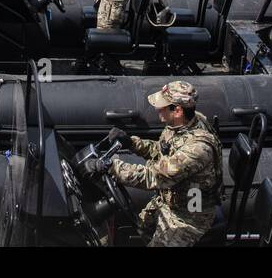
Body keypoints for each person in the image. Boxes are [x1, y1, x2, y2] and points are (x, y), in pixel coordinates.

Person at [84, 80, 223, 246]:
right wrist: (131, 143)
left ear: (177, 110)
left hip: (189, 216)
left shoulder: (197, 149)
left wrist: (111, 166)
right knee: (136, 229)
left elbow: (154, 176)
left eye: (162, 106)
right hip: (171, 199)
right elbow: (161, 150)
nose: (157, 109)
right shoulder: (182, 124)